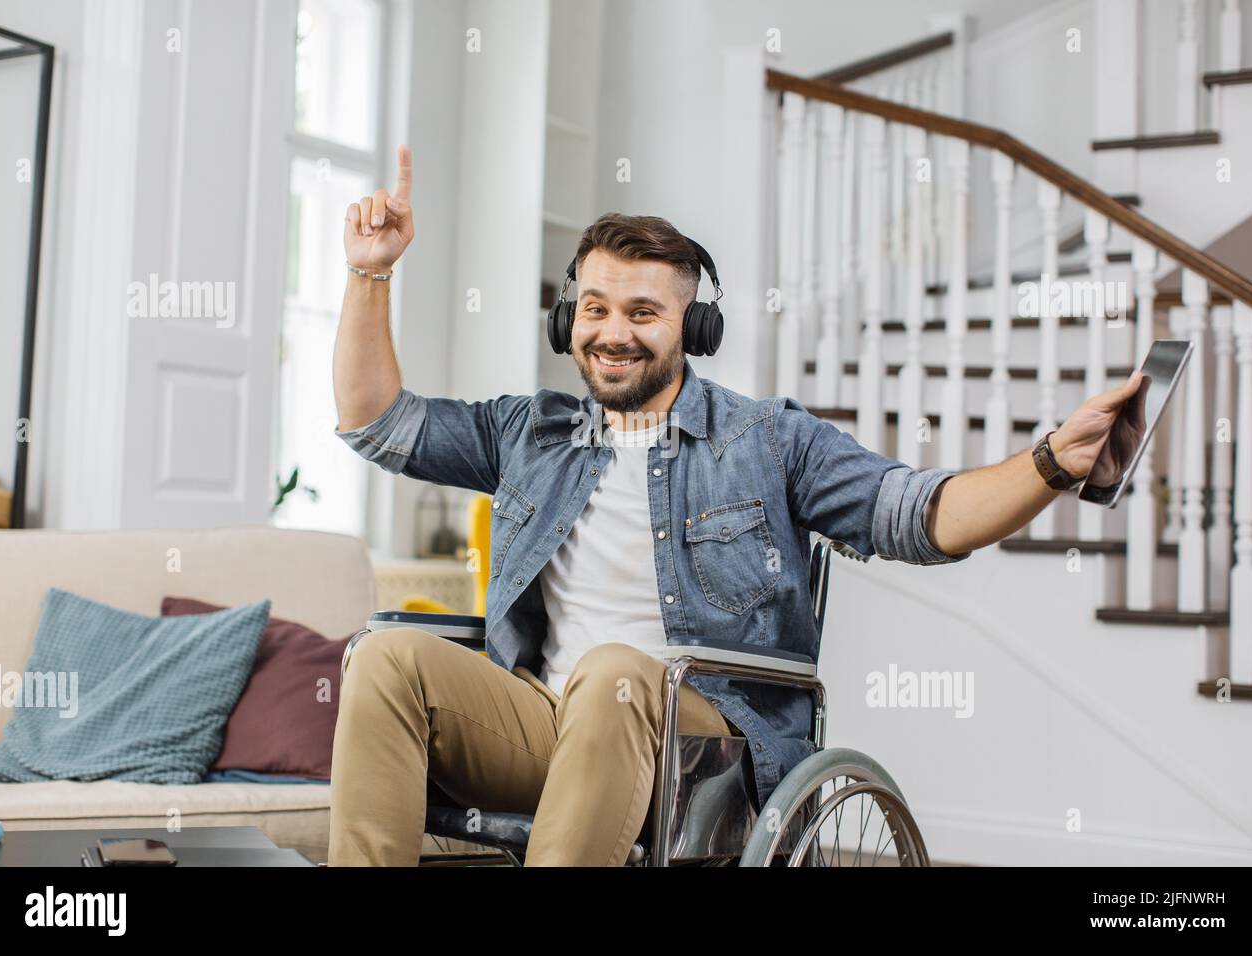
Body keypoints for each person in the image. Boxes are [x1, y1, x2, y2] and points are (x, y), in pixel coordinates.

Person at [327, 144, 1143, 866]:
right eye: (596, 308)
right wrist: (371, 271)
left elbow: (924, 516)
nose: (613, 332)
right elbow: (377, 424)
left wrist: (1051, 463)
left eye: (644, 313)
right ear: (568, 317)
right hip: (551, 726)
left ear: (694, 328)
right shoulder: (530, 432)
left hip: (705, 754)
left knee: (615, 674)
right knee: (386, 657)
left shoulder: (766, 441)